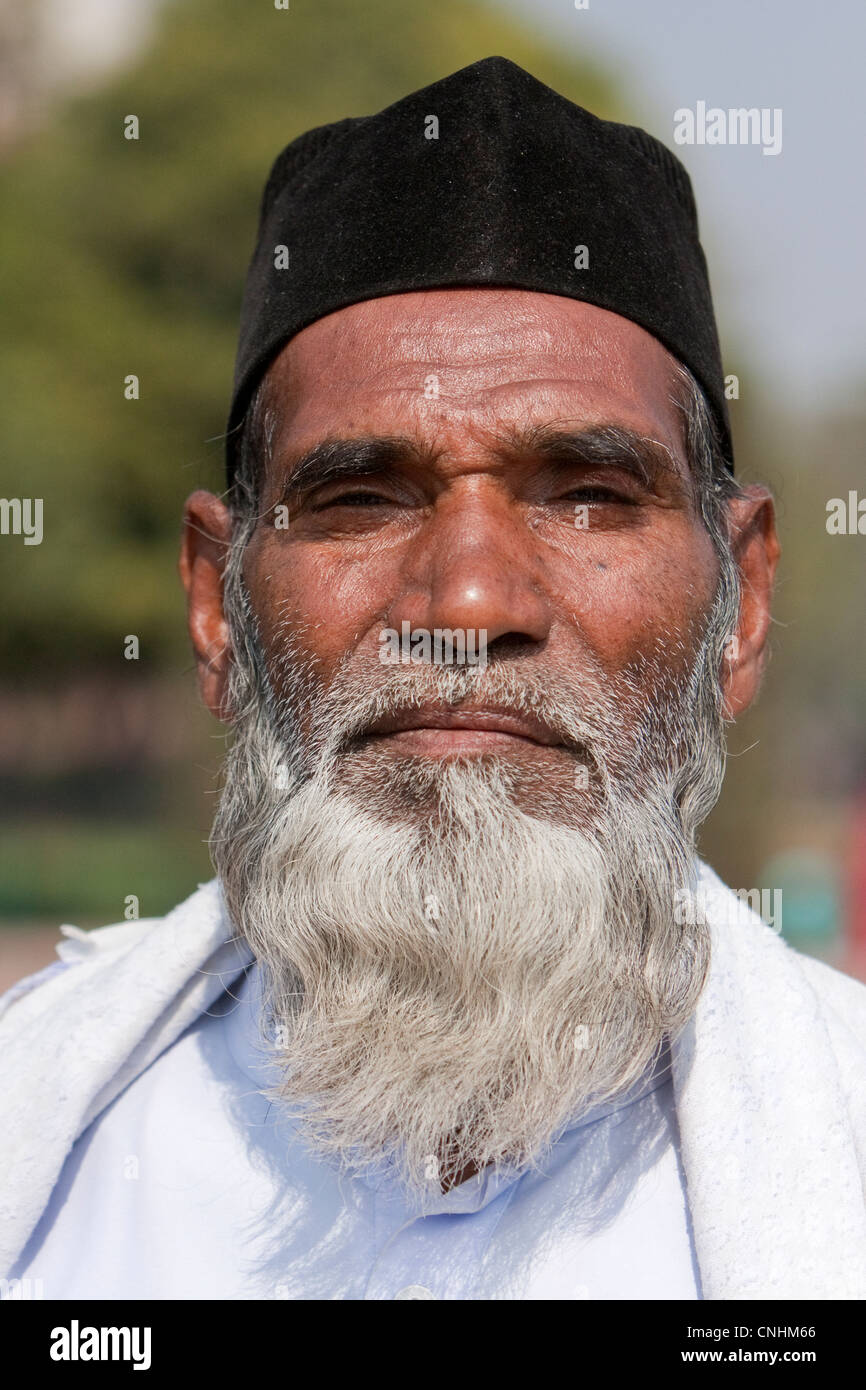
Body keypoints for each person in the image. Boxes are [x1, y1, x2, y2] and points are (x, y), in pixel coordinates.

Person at [2, 57, 865, 1302]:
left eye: (586, 497)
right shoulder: (51, 1172)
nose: (466, 605)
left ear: (741, 607)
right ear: (218, 609)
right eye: (358, 499)